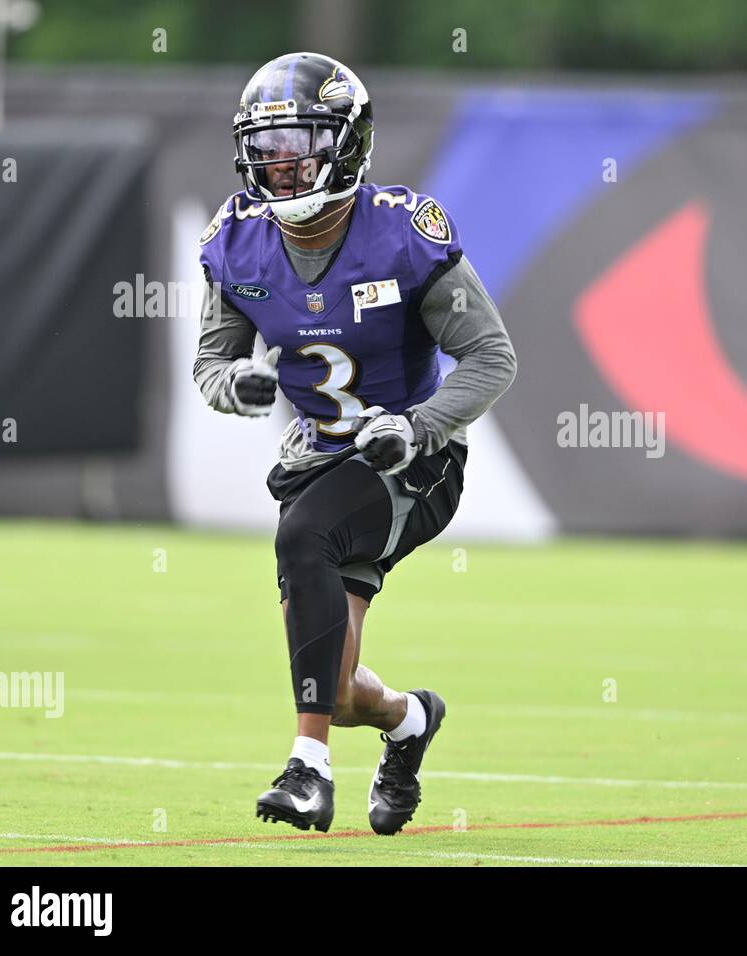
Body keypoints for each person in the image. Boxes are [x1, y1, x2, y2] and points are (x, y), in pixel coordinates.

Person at [192, 52, 516, 835]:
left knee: (305, 534)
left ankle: (307, 770)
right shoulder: (238, 240)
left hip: (415, 459)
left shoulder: (402, 233)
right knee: (335, 690)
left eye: (298, 142)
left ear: (346, 142)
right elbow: (211, 361)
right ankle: (407, 721)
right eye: (266, 146)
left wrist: (417, 426)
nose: (279, 163)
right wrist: (237, 386)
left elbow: (491, 357)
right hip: (323, 458)